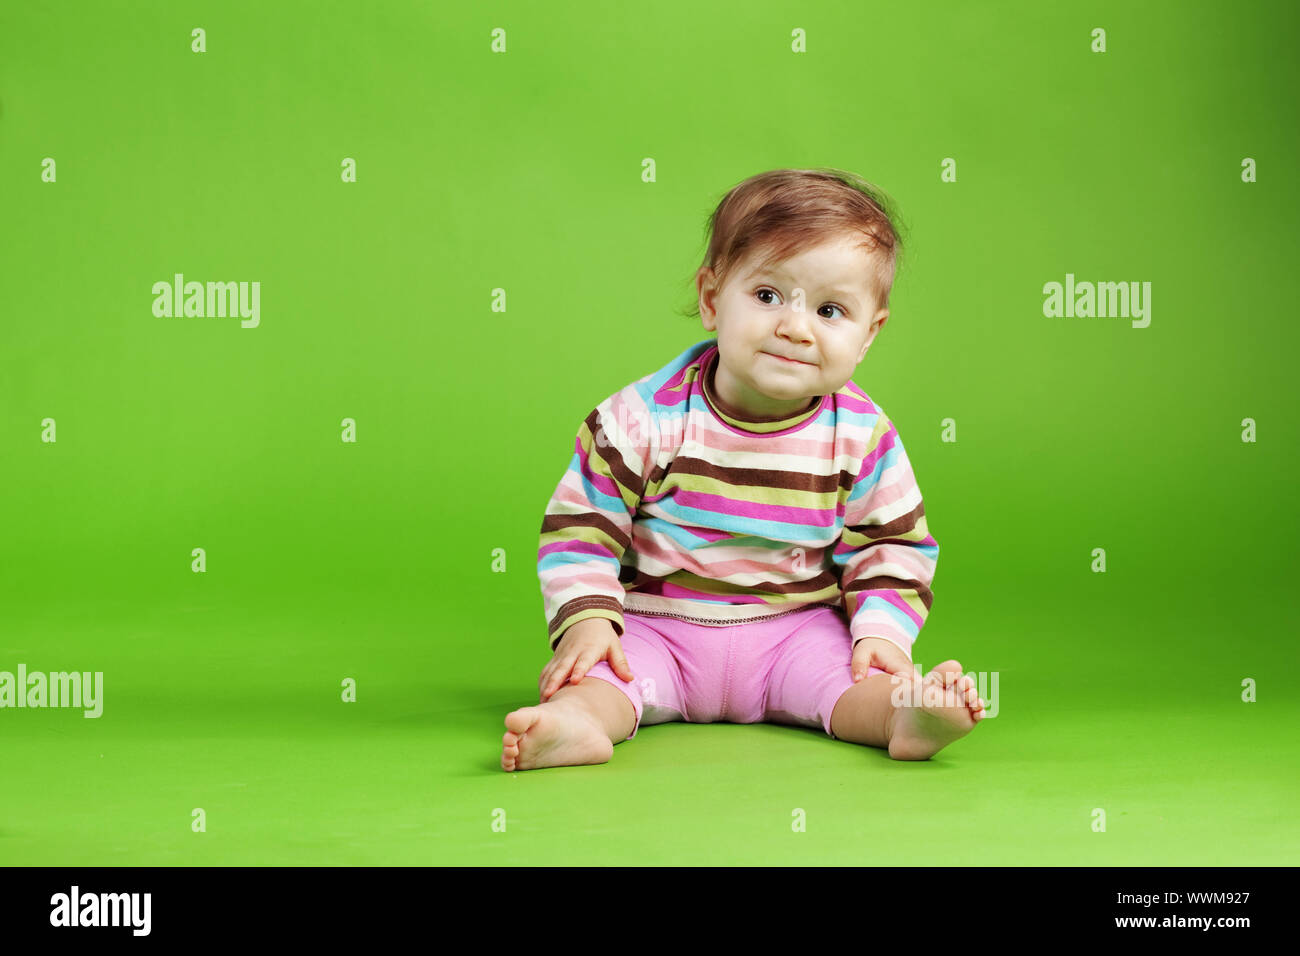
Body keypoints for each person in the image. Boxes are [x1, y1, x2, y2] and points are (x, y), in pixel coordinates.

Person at [503, 168, 985, 772]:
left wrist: (881, 636)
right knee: (605, 678)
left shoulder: (863, 436)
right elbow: (582, 527)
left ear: (868, 336)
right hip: (660, 628)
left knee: (853, 681)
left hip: (793, 632)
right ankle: (576, 723)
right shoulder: (641, 419)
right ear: (711, 300)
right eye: (767, 296)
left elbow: (892, 546)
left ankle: (902, 716)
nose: (795, 327)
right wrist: (590, 619)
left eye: (831, 310)